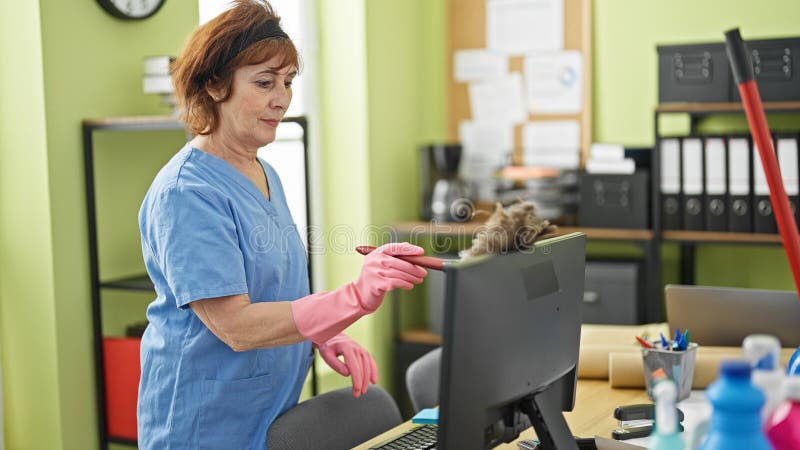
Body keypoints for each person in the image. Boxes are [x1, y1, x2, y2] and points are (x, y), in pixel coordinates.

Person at [136, 1, 428, 448]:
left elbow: (275, 289)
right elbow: (237, 326)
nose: (282, 98)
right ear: (214, 84)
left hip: (269, 410)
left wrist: (323, 333)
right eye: (264, 82)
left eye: (288, 82)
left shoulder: (263, 171)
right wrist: (353, 298)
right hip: (205, 424)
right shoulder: (187, 193)